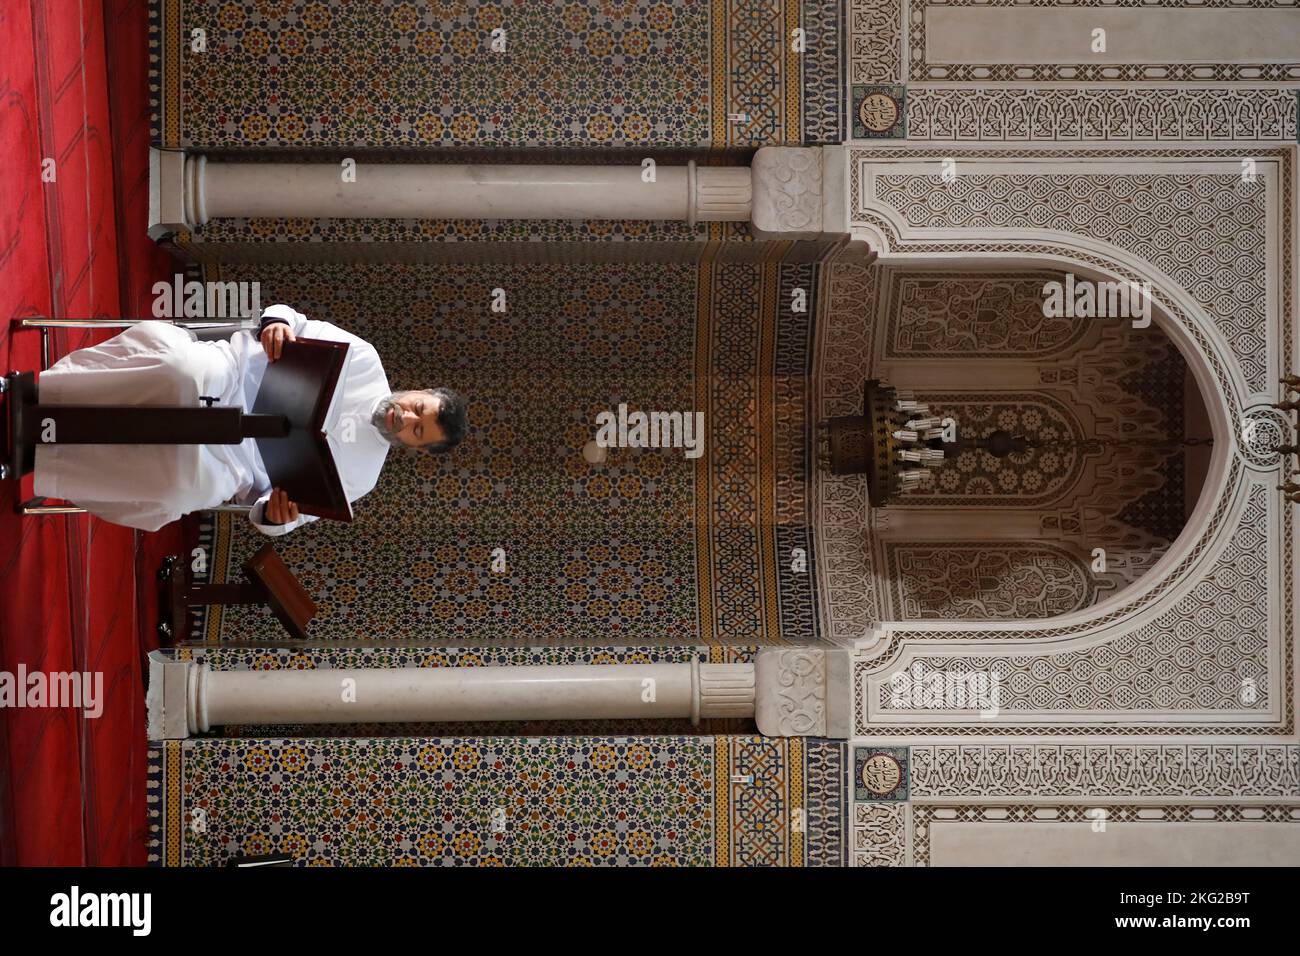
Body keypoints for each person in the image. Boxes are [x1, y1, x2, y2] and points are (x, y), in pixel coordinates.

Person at [32, 304, 468, 535]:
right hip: (231, 376)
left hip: (231, 463)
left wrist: (275, 518)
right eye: (417, 408)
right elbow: (294, 318)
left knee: (180, 488)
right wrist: (278, 324)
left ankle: (48, 465)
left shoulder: (363, 478)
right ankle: (46, 396)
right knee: (178, 375)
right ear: (419, 391)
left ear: (417, 449)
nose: (404, 417)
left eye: (415, 429)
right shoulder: (365, 359)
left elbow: (286, 517)